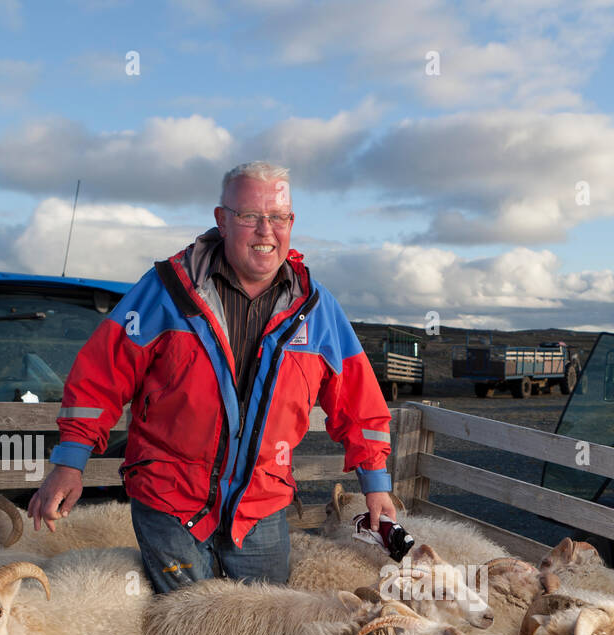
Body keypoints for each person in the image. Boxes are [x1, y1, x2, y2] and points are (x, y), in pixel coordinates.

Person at [28, 161, 398, 591]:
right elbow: (99, 377)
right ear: (222, 220)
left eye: (277, 217)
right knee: (190, 634)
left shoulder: (316, 310)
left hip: (262, 505)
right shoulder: (167, 292)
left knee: (261, 632)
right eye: (249, 216)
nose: (265, 231)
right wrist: (69, 464)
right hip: (170, 500)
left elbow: (360, 403)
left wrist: (375, 485)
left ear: (291, 222)